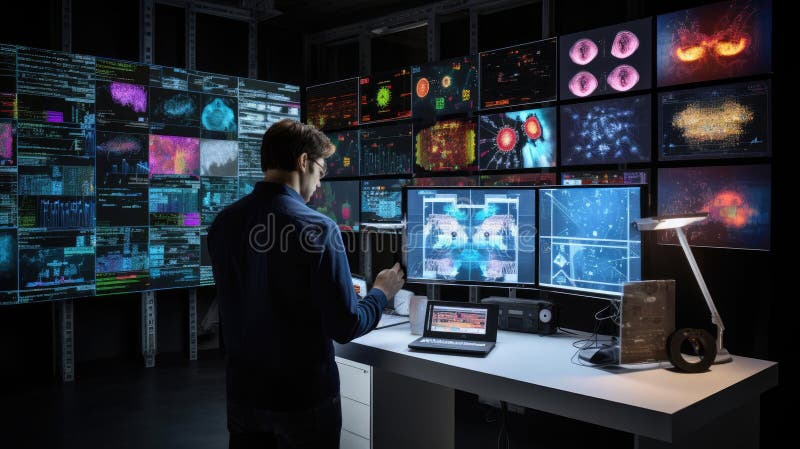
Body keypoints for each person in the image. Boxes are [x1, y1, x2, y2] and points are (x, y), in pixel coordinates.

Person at [207, 119, 405, 449]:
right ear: (302, 162)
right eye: (320, 168)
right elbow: (346, 324)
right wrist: (381, 293)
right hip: (303, 402)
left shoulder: (224, 223)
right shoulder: (319, 228)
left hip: (243, 395)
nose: (320, 179)